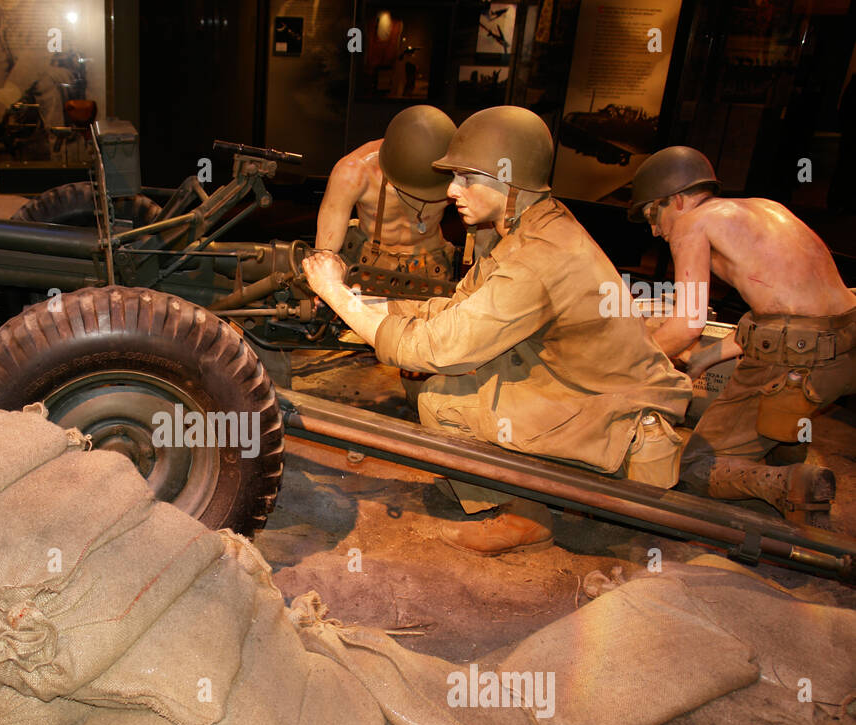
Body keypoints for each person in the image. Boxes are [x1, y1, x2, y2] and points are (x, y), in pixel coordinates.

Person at [303, 106, 691, 556]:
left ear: (508, 182)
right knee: (442, 379)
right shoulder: (533, 225)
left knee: (441, 396)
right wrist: (365, 305)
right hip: (586, 391)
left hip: (617, 423)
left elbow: (433, 349)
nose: (451, 190)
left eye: (466, 178)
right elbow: (454, 308)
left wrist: (335, 294)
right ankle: (501, 483)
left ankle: (523, 517)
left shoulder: (536, 258)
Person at [629, 145, 856, 526]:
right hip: (845, 342)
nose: (654, 229)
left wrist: (635, 359)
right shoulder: (763, 208)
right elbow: (777, 311)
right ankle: (783, 445)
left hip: (800, 357)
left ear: (679, 200)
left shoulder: (692, 223)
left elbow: (689, 322)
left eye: (654, 212)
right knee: (767, 397)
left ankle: (791, 485)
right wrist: (701, 359)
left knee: (692, 467)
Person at [315, 105, 495, 285]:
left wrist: (485, 283)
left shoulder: (458, 174)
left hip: (431, 269)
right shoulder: (354, 173)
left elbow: (482, 238)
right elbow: (325, 251)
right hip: (369, 268)